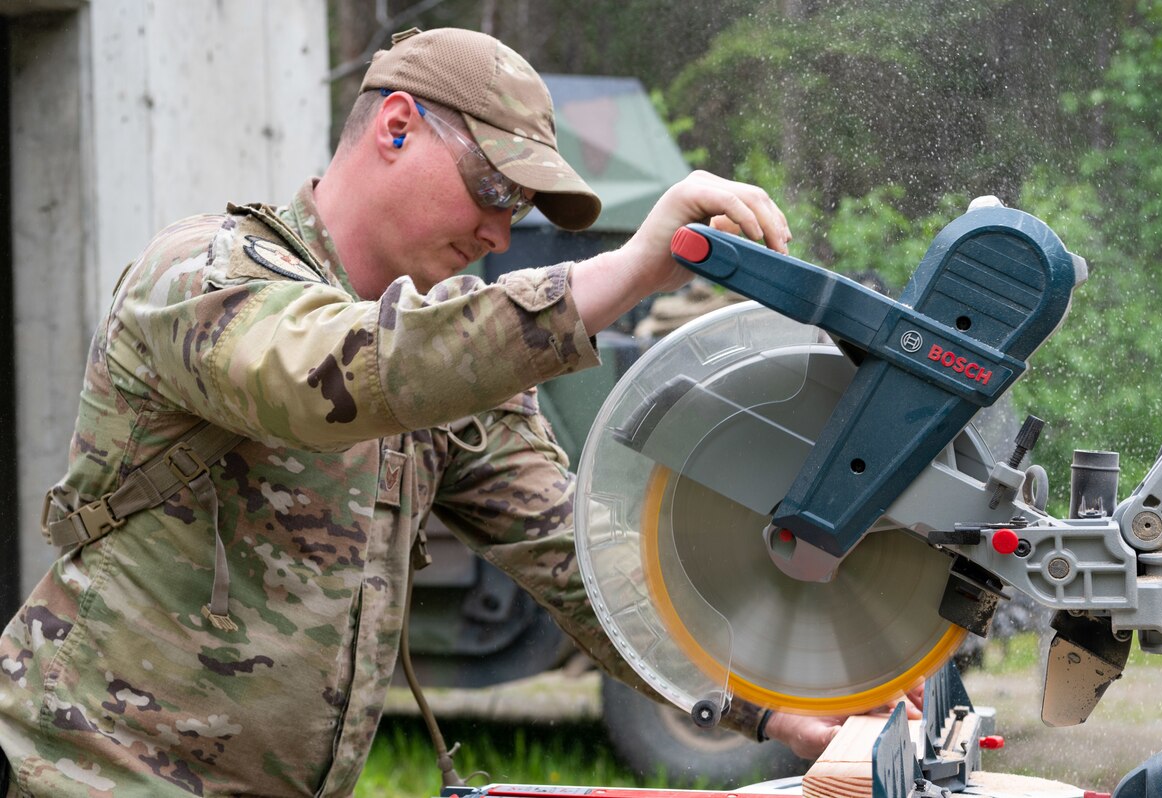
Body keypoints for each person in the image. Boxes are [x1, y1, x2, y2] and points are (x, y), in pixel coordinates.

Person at [0, 27, 911, 797]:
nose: (500, 231)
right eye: (496, 189)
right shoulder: (205, 274)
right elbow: (333, 370)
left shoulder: (457, 368)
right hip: (91, 771)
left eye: (522, 209)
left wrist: (786, 698)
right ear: (397, 127)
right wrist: (625, 272)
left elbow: (578, 559)